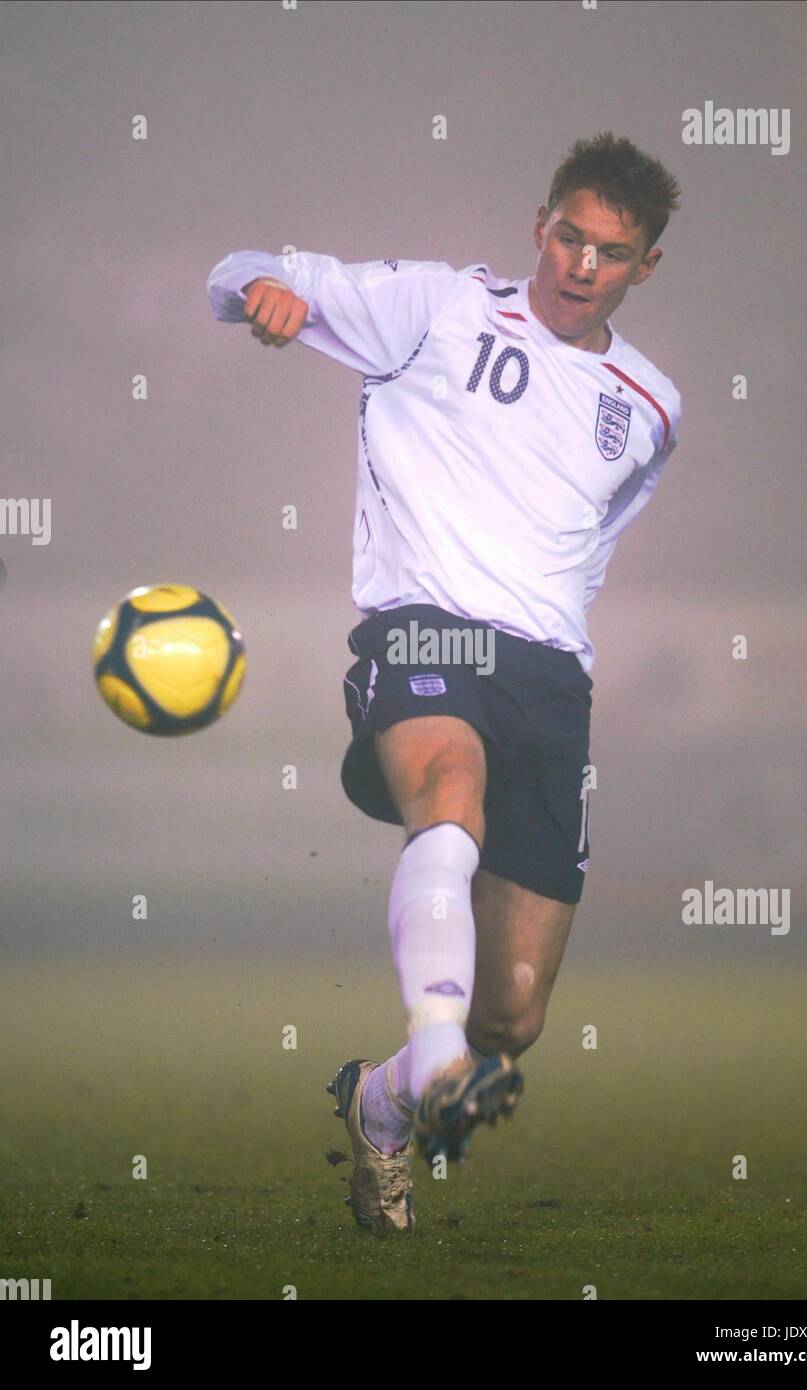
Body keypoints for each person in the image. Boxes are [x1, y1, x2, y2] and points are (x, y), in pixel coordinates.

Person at [207, 132, 682, 1235]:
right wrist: (264, 293)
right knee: (448, 795)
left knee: (511, 1017)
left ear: (643, 268)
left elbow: (591, 543)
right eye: (566, 234)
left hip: (549, 677)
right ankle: (430, 1061)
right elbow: (232, 272)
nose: (579, 263)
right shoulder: (434, 308)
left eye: (609, 251)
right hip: (422, 630)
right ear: (538, 226)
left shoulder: (652, 406)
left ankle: (380, 1097)